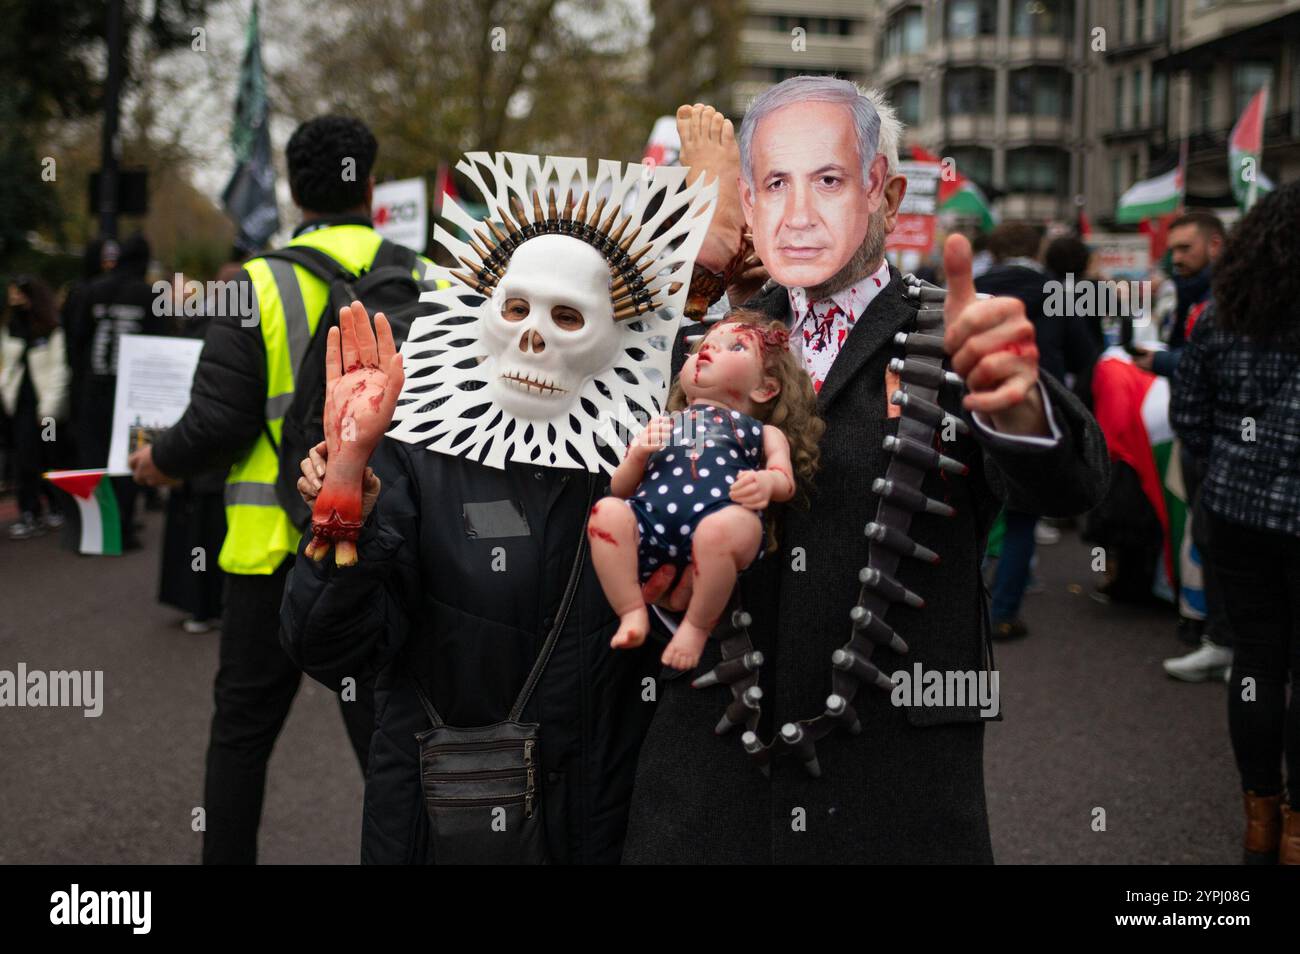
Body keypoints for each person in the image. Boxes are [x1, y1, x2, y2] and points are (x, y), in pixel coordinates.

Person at [620, 76, 1108, 864]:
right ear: (749, 201)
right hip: (710, 789)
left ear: (887, 195)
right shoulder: (700, 349)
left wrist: (1021, 414)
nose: (801, 211)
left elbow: (1078, 487)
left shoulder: (949, 335)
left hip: (891, 792)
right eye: (775, 183)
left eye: (830, 180)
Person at [281, 149, 719, 863]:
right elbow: (329, 648)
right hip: (449, 827)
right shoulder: (416, 453)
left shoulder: (657, 459)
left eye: (568, 317)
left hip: (609, 823)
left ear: (622, 334)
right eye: (515, 309)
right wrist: (344, 510)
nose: (533, 337)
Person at [127, 116, 432, 864]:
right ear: (369, 181)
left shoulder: (253, 284)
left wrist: (158, 464)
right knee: (390, 742)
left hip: (269, 548)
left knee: (240, 737)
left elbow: (218, 422)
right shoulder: (427, 278)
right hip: (377, 545)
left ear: (295, 192)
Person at [1171, 180, 1300, 864]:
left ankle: (1261, 819)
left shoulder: (1224, 313)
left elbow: (1188, 413)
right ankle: (1297, 834)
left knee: (1255, 663)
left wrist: (1233, 465)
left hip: (1238, 514)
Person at [592, 312, 820, 669]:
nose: (708, 351)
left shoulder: (761, 432)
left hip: (720, 525)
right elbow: (620, 489)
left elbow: (784, 481)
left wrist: (765, 483)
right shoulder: (665, 423)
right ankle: (632, 610)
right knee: (605, 513)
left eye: (736, 346)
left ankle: (696, 628)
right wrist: (637, 455)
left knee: (724, 529)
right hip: (650, 527)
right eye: (704, 345)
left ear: (766, 387)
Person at [67, 232, 166, 549]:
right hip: (135, 393)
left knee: (91, 459)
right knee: (130, 460)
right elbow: (160, 346)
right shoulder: (150, 297)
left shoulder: (90, 291)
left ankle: (93, 530)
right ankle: (121, 529)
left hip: (93, 388)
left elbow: (76, 341)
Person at [1, 276, 71, 538]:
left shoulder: (51, 329)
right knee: (25, 458)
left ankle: (56, 504)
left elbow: (58, 371)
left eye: (19, 295)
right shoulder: (12, 328)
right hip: (21, 407)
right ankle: (29, 511)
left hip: (47, 410)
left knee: (51, 455)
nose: (15, 300)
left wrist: (51, 408)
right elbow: (8, 366)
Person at [1133, 211, 1224, 378]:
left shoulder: (1228, 295)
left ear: (1214, 246)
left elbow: (1215, 362)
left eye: (1184, 248)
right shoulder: (1189, 291)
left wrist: (1160, 360)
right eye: (1172, 251)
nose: (1176, 259)